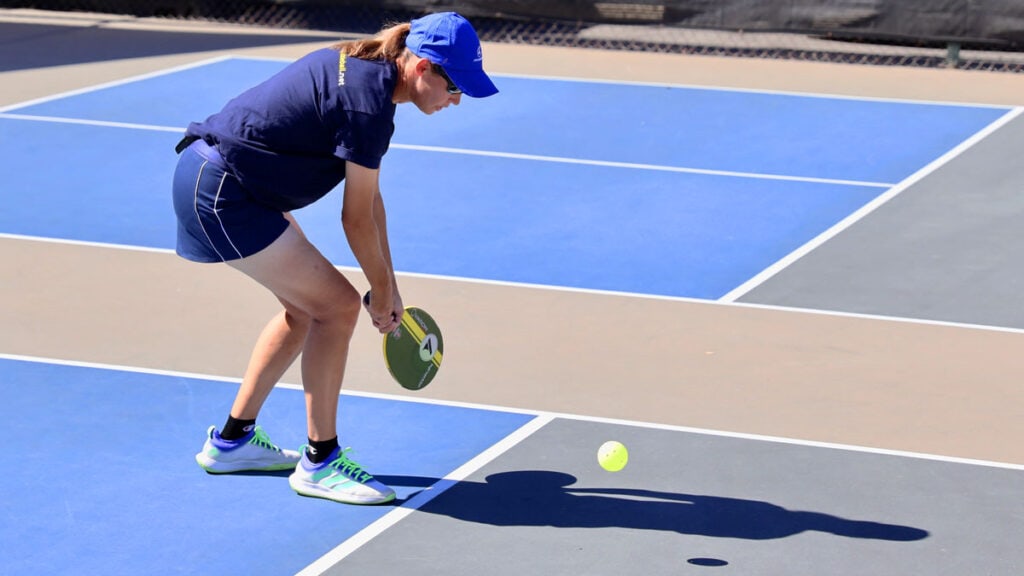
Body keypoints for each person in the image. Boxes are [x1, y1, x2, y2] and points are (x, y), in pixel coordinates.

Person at [171, 12, 498, 505]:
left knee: (307, 308)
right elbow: (354, 220)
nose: (457, 99)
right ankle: (320, 462)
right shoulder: (368, 105)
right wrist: (379, 290)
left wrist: (388, 283)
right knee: (338, 308)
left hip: (232, 181)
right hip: (224, 191)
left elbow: (371, 202)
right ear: (422, 67)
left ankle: (233, 441)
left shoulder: (366, 68)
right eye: (454, 85)